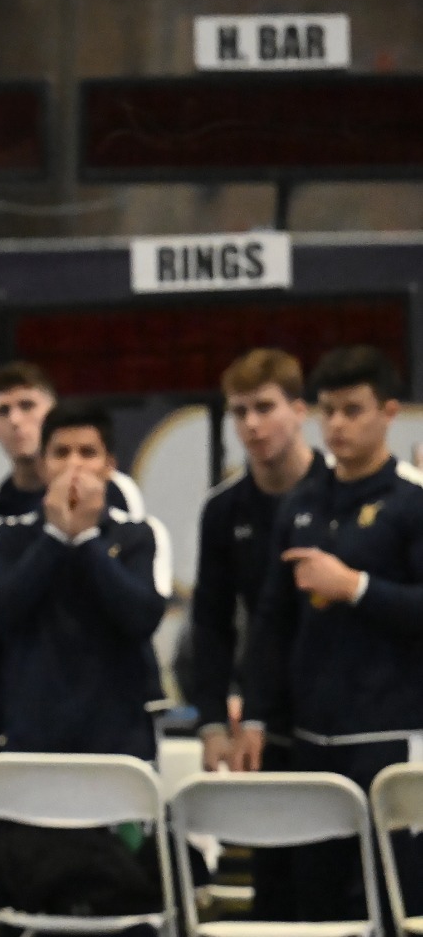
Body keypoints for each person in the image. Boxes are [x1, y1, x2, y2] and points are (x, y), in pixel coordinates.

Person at [240, 345, 423, 922]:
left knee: (396, 903)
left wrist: (357, 587)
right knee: (315, 908)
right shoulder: (302, 503)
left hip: (393, 740)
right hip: (312, 741)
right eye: (328, 411)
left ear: (389, 412)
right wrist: (254, 716)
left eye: (353, 410)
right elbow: (271, 620)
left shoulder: (412, 503)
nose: (338, 426)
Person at [186, 349, 318, 923]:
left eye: (265, 408)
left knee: (342, 878)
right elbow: (211, 622)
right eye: (240, 412)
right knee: (274, 886)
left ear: (299, 410)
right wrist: (213, 719)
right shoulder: (222, 510)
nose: (253, 425)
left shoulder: (335, 496)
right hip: (258, 721)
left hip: (333, 710)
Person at [0, 400, 170, 759]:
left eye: (88, 453)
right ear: (44, 466)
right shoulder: (4, 535)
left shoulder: (140, 534)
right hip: (32, 745)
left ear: (109, 466)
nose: (74, 465)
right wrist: (53, 537)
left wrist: (85, 539)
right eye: (61, 453)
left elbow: (142, 617)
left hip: (121, 747)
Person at [0, 362, 144, 520]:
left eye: (27, 405)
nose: (15, 420)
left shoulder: (113, 490)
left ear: (54, 411)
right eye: (3, 411)